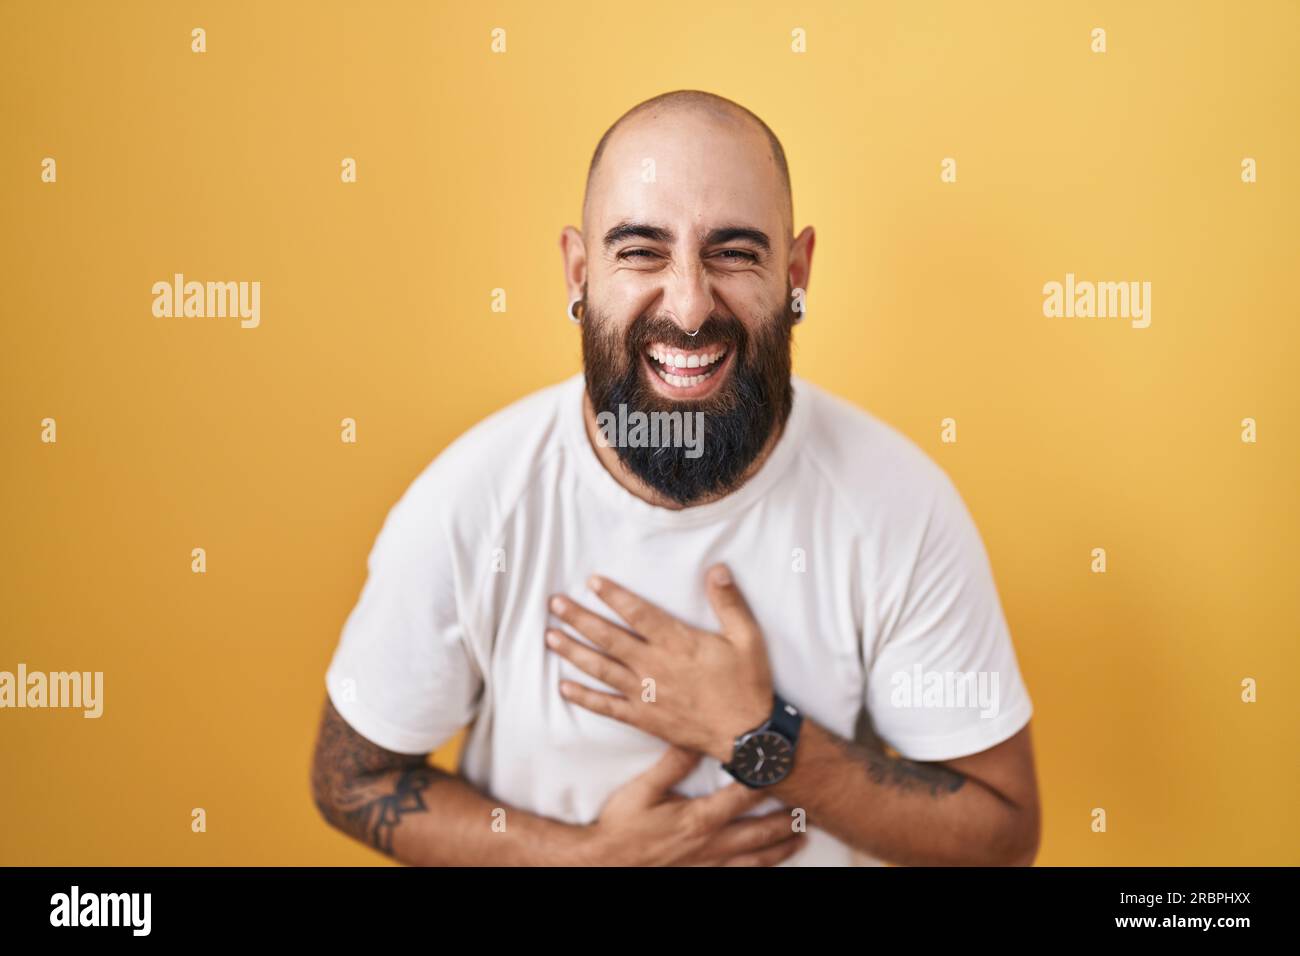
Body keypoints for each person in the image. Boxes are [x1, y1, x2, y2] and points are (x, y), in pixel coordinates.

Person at [311, 89, 1040, 866]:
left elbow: (1000, 840)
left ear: (795, 272)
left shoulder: (900, 505)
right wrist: (584, 860)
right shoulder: (470, 504)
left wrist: (764, 736)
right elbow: (350, 780)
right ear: (578, 274)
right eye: (640, 251)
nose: (690, 307)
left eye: (733, 251)